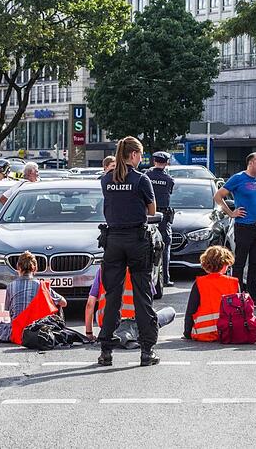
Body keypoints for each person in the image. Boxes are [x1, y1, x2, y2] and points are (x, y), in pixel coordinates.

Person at [98, 136, 160, 366]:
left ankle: (106, 351)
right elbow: (151, 209)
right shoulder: (141, 179)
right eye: (140, 154)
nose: (141, 158)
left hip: (113, 240)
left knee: (112, 296)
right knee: (142, 296)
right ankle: (146, 351)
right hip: (136, 240)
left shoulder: (106, 179)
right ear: (133, 155)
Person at [213, 152, 256, 304]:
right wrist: (231, 213)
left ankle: (253, 295)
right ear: (250, 163)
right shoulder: (238, 178)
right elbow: (218, 196)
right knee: (240, 262)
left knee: (255, 263)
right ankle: (236, 293)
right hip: (244, 226)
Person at [0, 251, 67, 343]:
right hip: (38, 331)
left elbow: (10, 311)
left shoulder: (11, 286)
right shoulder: (42, 285)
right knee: (57, 303)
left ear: (18, 267)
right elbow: (63, 303)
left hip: (17, 333)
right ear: (35, 268)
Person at [84, 265, 175, 347]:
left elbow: (90, 304)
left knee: (97, 313)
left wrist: (89, 334)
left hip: (108, 324)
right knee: (170, 311)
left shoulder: (103, 269)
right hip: (135, 325)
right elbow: (148, 305)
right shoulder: (142, 269)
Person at [184, 246, 239, 341]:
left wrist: (187, 332)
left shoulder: (200, 283)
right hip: (229, 331)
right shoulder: (233, 283)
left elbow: (191, 310)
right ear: (225, 264)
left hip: (203, 332)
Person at [145, 151, 175, 287]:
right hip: (163, 217)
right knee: (164, 247)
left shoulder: (146, 176)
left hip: (146, 215)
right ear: (167, 162)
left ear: (154, 161)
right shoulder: (169, 180)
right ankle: (165, 279)